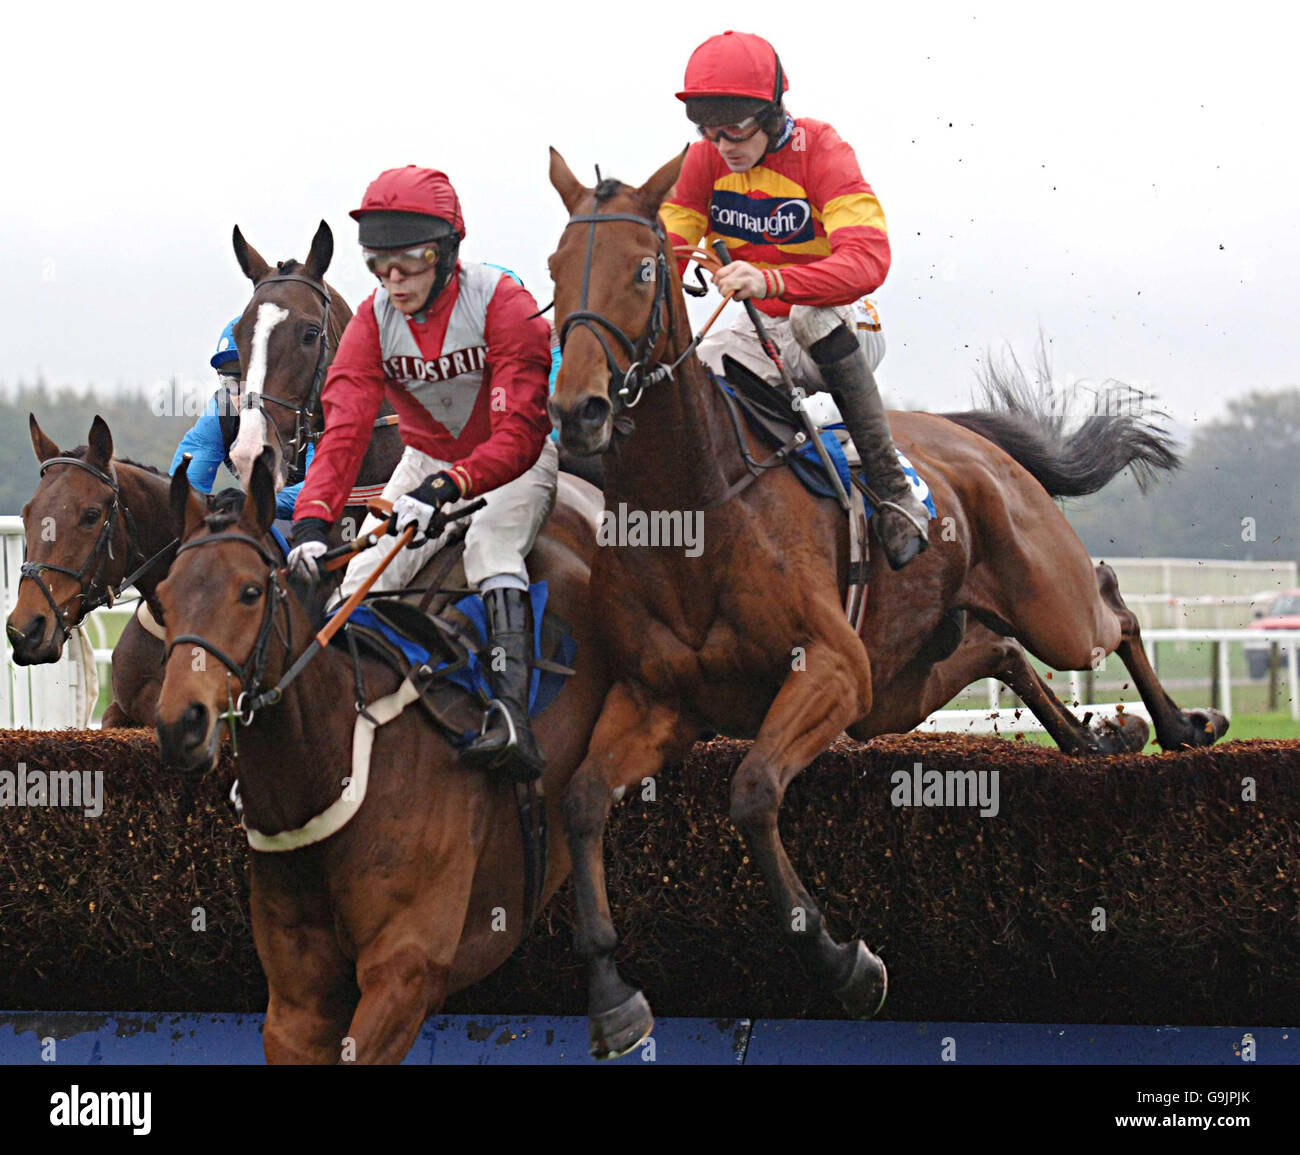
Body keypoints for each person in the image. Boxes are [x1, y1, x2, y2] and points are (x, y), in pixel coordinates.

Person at [286, 166, 556, 782]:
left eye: (407, 263)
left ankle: (512, 719)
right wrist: (310, 522)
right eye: (378, 265)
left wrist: (451, 486)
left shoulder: (502, 303)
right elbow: (345, 430)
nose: (392, 280)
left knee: (491, 548)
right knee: (362, 580)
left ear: (446, 252)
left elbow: (519, 433)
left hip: (513, 461)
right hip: (427, 460)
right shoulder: (371, 320)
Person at [660, 30, 930, 570]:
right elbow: (661, 249)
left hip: (844, 322)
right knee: (698, 371)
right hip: (763, 332)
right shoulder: (703, 163)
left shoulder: (823, 149)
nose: (724, 145)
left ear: (772, 111)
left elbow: (870, 260)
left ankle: (893, 488)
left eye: (735, 128)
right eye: (710, 132)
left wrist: (772, 281)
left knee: (808, 316)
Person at [170, 318, 312, 524]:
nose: (244, 394)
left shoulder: (317, 412)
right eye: (233, 380)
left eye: (254, 380)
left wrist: (250, 502)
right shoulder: (221, 413)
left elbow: (323, 488)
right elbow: (184, 489)